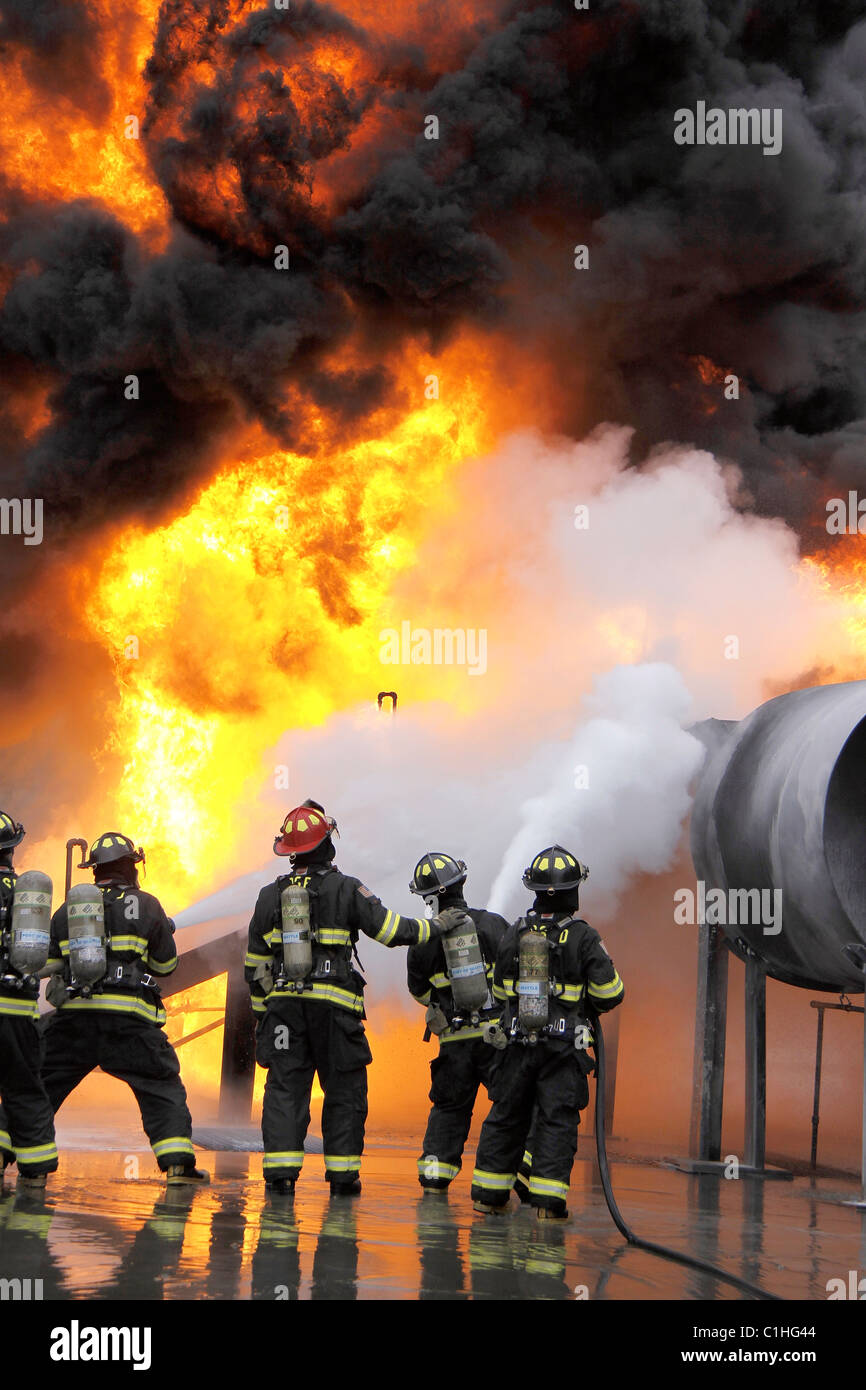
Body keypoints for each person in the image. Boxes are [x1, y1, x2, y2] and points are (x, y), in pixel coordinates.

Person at [245, 800, 461, 1197]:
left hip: (283, 1013)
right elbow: (391, 930)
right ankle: (343, 1176)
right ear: (326, 844)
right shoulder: (346, 888)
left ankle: (280, 1175)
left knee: (284, 1090)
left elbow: (254, 967)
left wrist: (265, 1019)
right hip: (335, 1011)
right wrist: (435, 927)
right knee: (343, 1090)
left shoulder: (267, 897)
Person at [42, 831, 208, 1184]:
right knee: (160, 1086)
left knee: (38, 1086)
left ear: (94, 870)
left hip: (74, 1020)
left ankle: (11, 1156)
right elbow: (166, 967)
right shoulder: (147, 904)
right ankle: (177, 1165)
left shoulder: (66, 910)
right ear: (131, 867)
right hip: (130, 1024)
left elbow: (52, 963)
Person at [470, 845, 624, 1220]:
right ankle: (546, 1206)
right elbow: (611, 993)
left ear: (534, 890)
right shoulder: (584, 937)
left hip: (515, 1045)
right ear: (574, 891)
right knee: (556, 1121)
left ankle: (489, 1197)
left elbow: (501, 989)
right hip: (562, 1050)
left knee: (506, 1116)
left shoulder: (514, 933)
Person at [406, 851, 509, 1193]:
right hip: (497, 1039)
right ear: (461, 882)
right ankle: (497, 1184)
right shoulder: (493, 924)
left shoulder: (422, 941)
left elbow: (420, 992)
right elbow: (516, 980)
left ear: (427, 898)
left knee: (448, 1111)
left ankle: (435, 1178)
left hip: (453, 1043)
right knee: (509, 1108)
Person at [0, 811, 58, 1188]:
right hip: (16, 1010)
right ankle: (34, 1173)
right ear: (11, 849)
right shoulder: (25, 895)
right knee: (22, 1088)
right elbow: (45, 959)